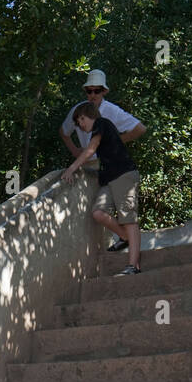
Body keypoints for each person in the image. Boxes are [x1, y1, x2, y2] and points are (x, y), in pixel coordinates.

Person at [59, 69, 145, 252]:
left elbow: (140, 129)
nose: (92, 95)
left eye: (96, 91)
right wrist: (74, 150)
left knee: (126, 214)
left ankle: (133, 261)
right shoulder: (79, 110)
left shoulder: (111, 111)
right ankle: (125, 238)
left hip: (111, 167)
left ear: (104, 91)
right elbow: (64, 132)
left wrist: (113, 140)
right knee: (100, 212)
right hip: (91, 167)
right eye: (88, 91)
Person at [62, 100, 142, 274]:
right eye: (77, 122)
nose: (80, 125)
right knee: (98, 212)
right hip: (109, 179)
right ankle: (126, 237)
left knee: (128, 218)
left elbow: (91, 149)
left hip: (124, 175)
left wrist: (72, 168)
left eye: (81, 120)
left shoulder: (102, 123)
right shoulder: (99, 129)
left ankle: (133, 266)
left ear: (89, 115)